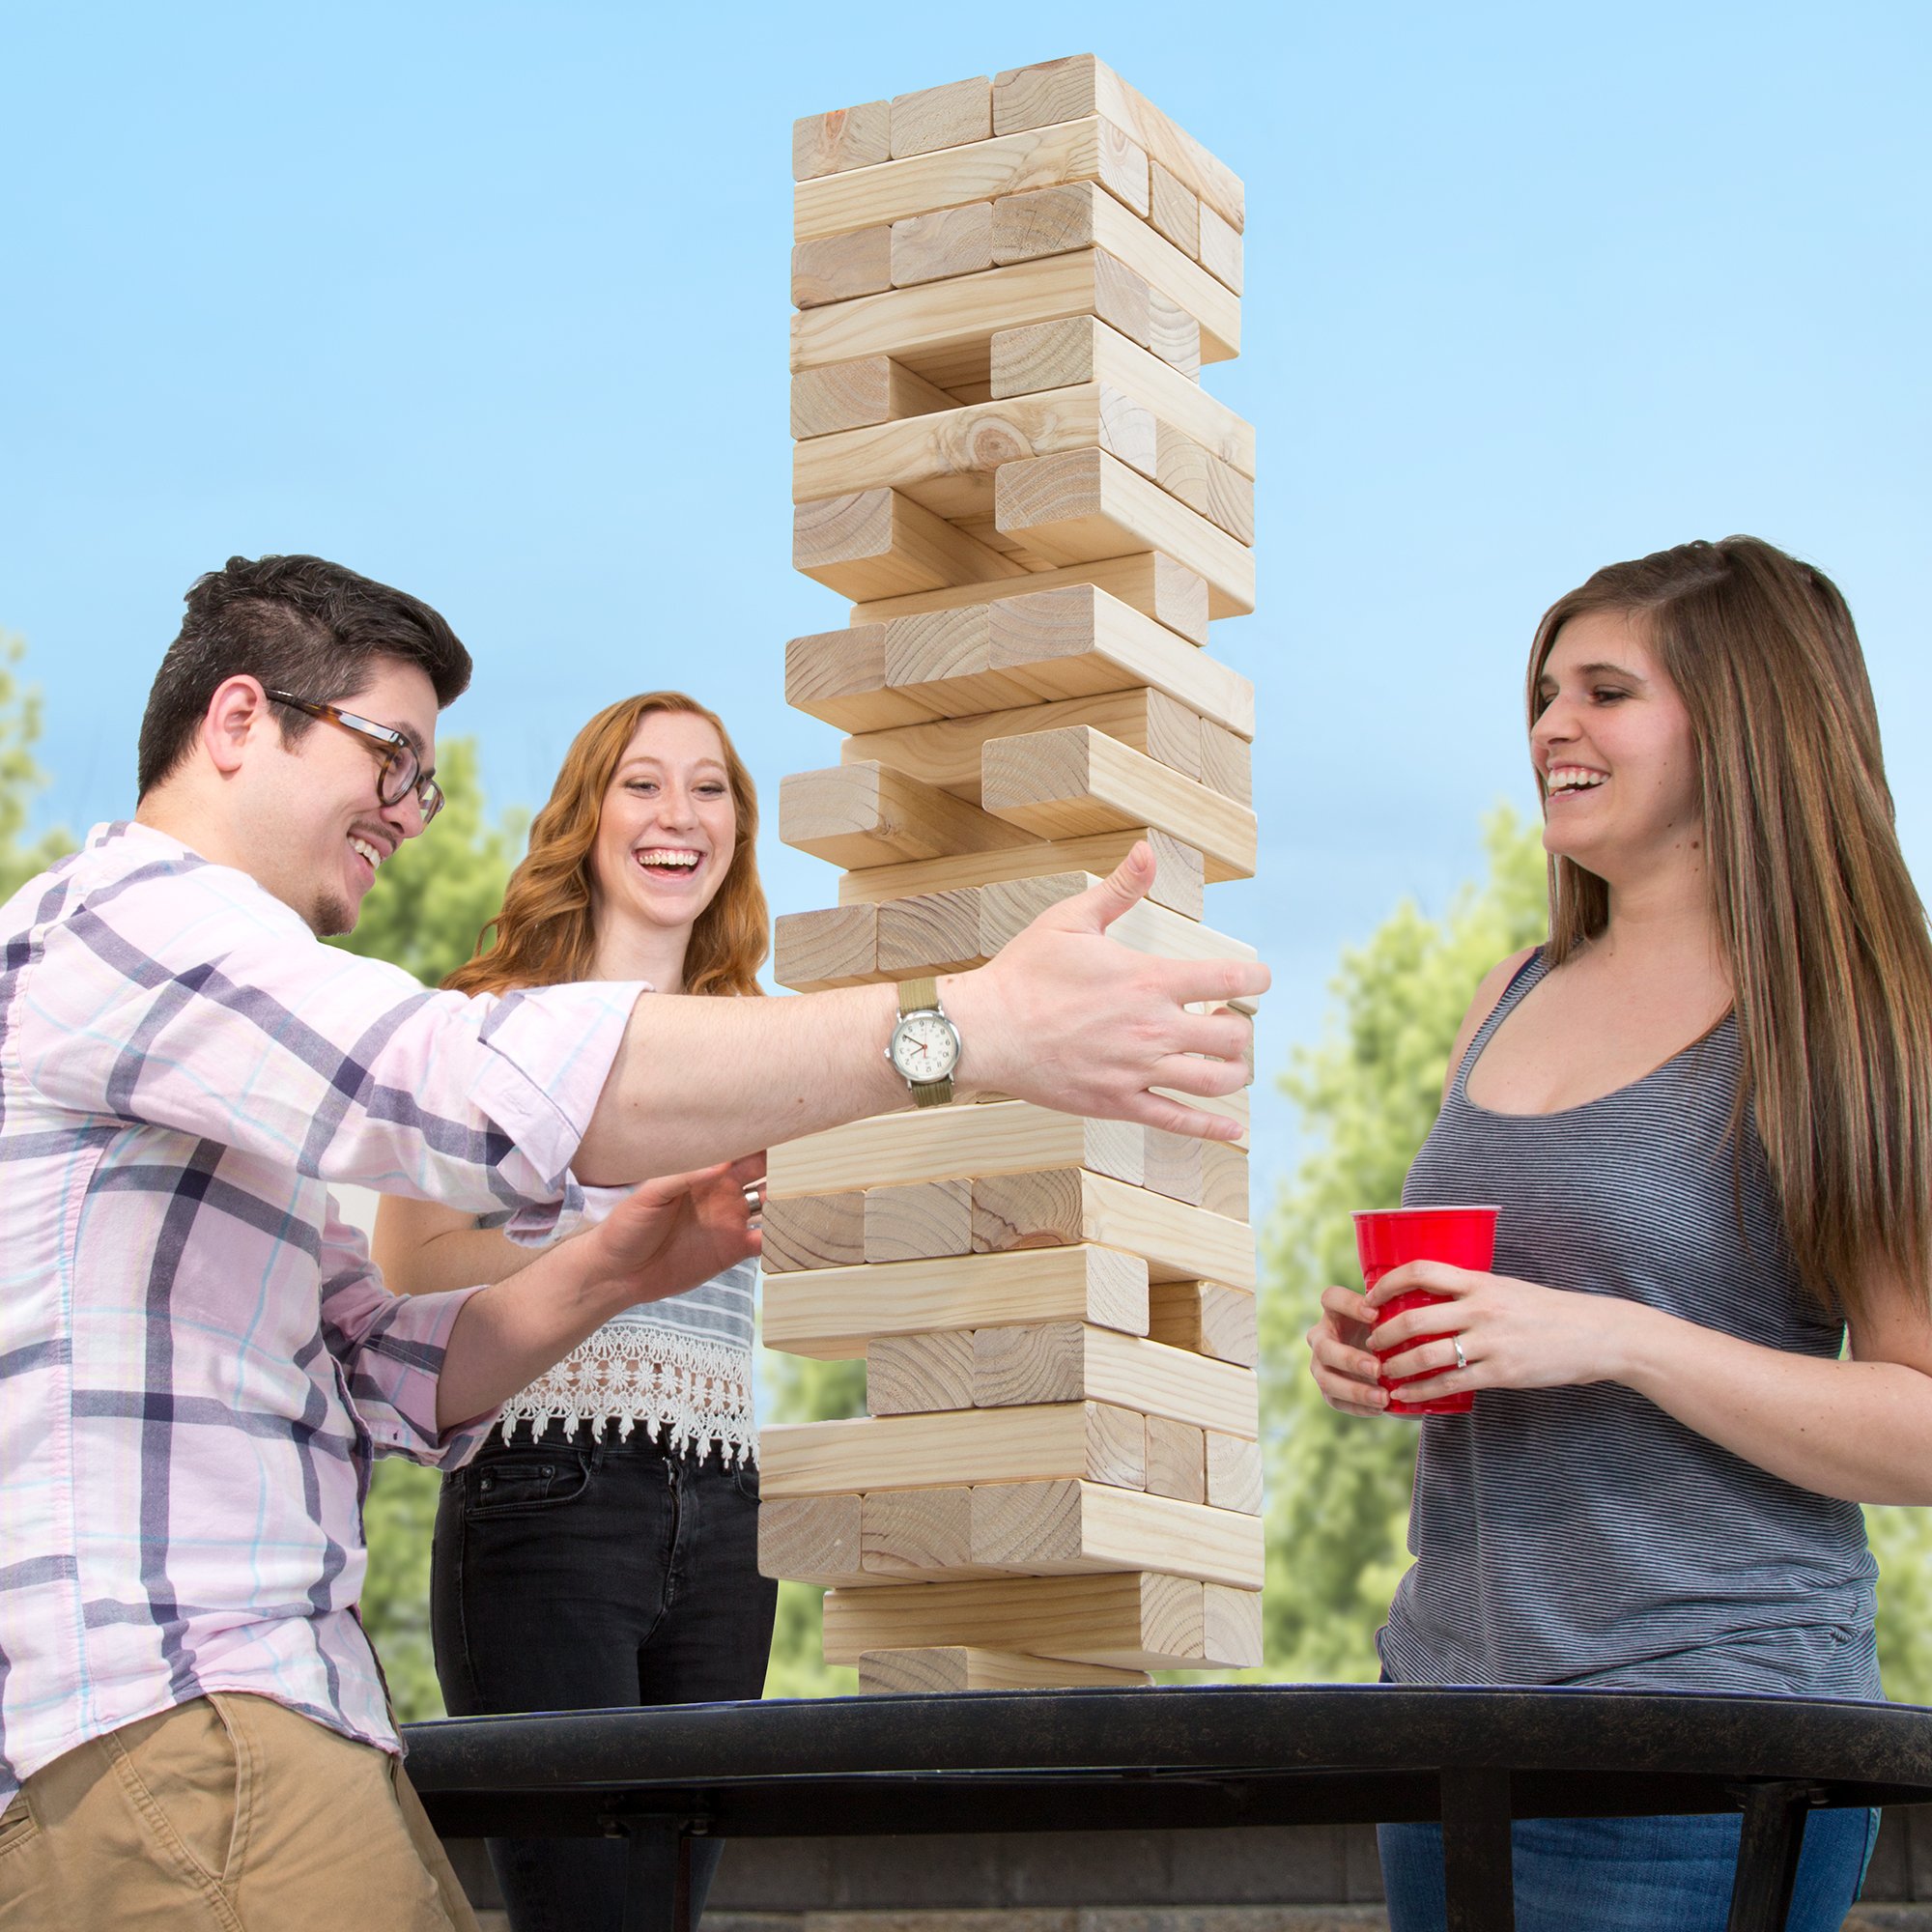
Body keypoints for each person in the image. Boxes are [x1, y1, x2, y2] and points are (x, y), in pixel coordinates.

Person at [0, 554, 1264, 1932]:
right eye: (392, 758)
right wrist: (960, 1025)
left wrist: (625, 1264)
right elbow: (453, 1089)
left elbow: (373, 1373)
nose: (409, 814)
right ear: (240, 721)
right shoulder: (133, 925)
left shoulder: (217, 1053)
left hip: (280, 1708)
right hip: (179, 1714)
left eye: (423, 780)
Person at [1304, 535, 1932, 1931]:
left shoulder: (1845, 1024)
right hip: (1452, 1712)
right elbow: (1512, 1324)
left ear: (1743, 723)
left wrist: (1615, 1339)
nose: (1550, 727)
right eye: (1542, 692)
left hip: (1709, 1733)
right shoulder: (1510, 992)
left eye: (1604, 692)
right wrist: (1375, 1349)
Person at [375, 692, 774, 1931]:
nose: (678, 815)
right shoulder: (492, 1020)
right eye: (642, 783)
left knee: (665, 1913)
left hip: (728, 1511)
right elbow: (407, 1263)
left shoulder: (763, 1043)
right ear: (587, 817)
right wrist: (603, 1226)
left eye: (709, 787)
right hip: (543, 1494)